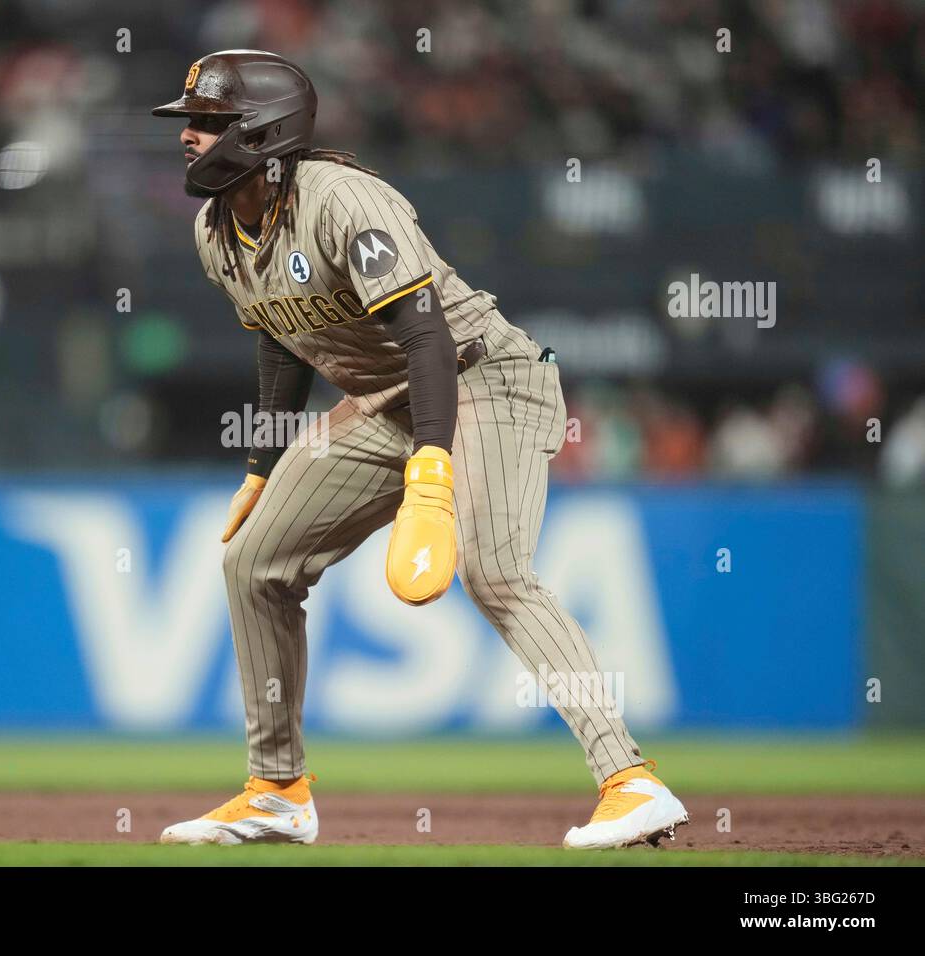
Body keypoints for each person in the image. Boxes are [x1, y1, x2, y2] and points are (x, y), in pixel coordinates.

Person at [152, 50, 687, 849]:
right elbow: (282, 342)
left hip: (483, 378)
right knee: (251, 562)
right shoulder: (214, 230)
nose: (189, 137)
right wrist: (261, 467)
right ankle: (277, 791)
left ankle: (630, 780)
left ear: (260, 131)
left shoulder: (344, 199)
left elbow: (427, 336)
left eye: (208, 122)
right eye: (190, 123)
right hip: (380, 403)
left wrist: (431, 466)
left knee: (495, 571)